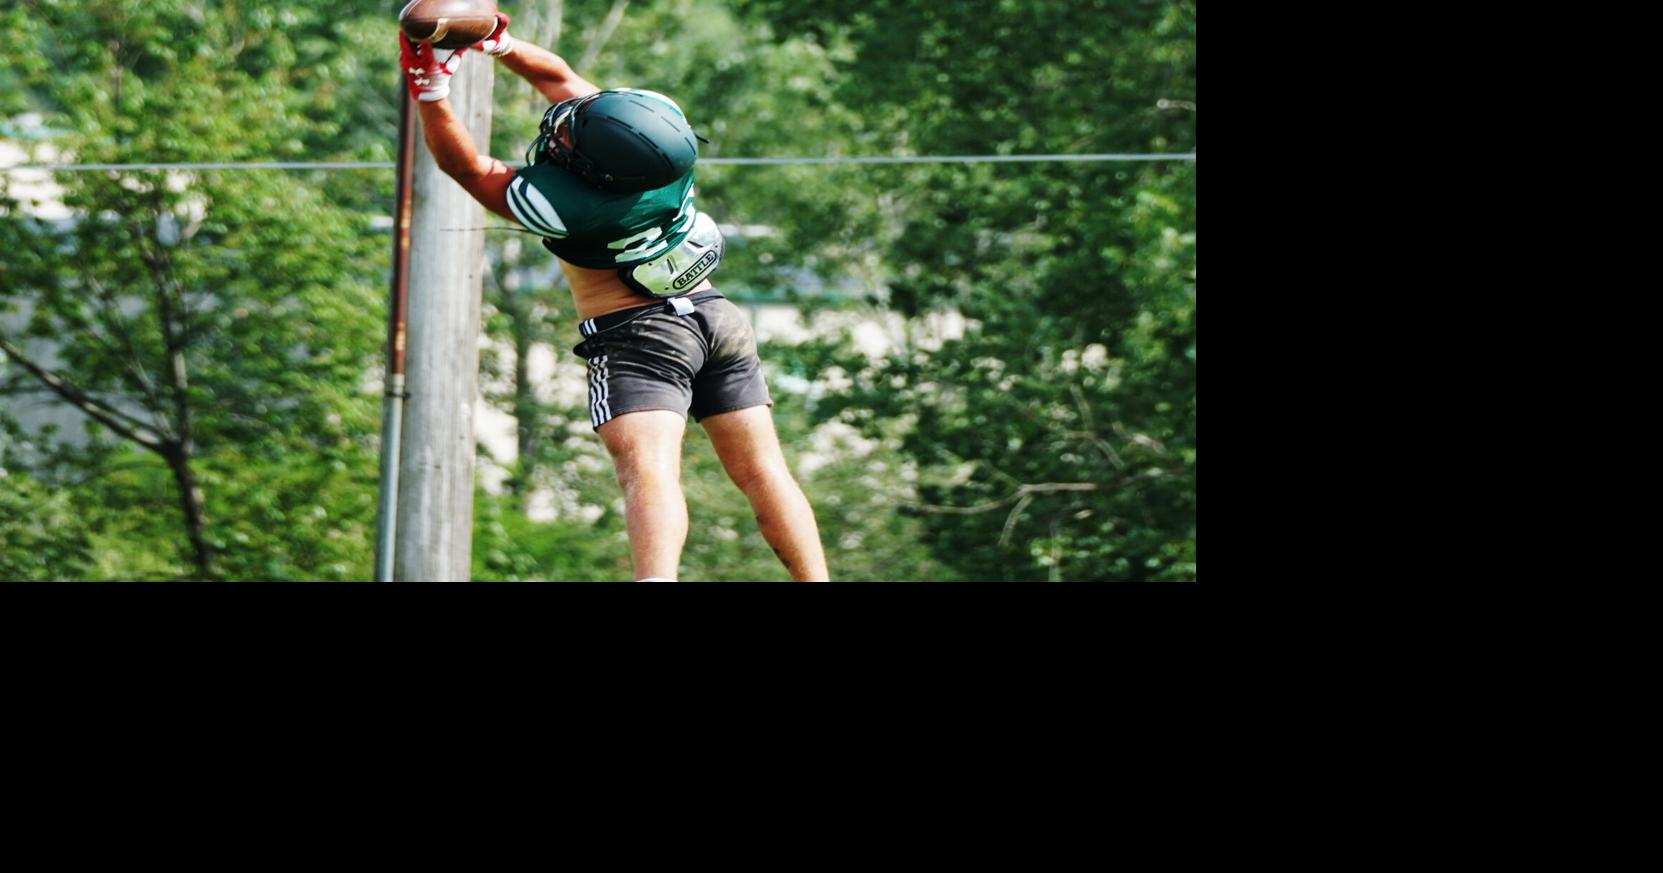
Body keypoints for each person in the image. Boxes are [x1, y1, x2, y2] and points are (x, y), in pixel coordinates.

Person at [400, 15, 830, 582]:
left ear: (593, 171)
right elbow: (562, 78)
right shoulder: (657, 147)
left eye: (571, 138)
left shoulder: (569, 205)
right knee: (763, 469)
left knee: (648, 471)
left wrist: (429, 86)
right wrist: (496, 43)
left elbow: (463, 165)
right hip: (715, 317)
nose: (563, 129)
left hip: (638, 337)